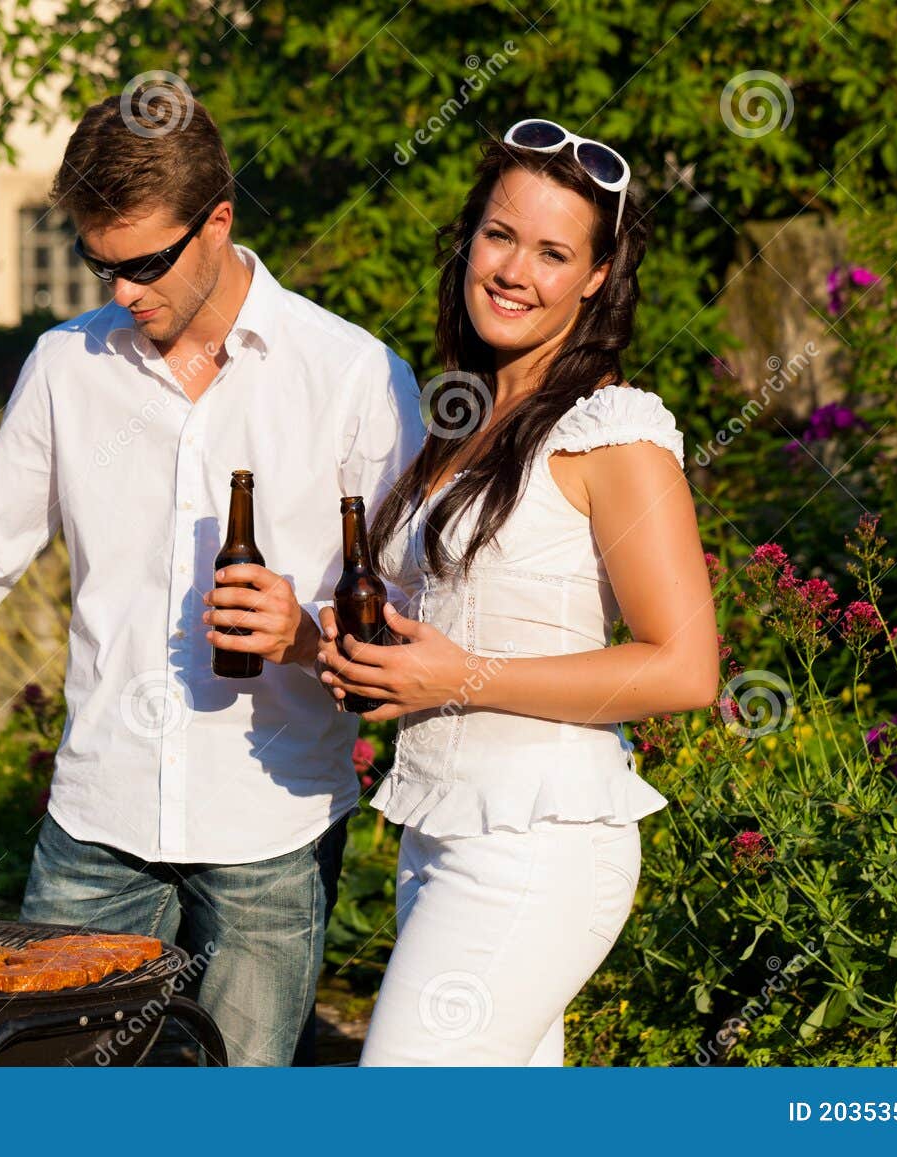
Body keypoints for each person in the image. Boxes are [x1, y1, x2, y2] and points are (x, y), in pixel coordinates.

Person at [0, 91, 423, 1066]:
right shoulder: (64, 366)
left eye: (144, 263)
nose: (120, 291)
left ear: (218, 221)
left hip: (270, 826)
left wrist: (303, 627)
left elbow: (411, 615)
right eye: (99, 263)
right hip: (96, 822)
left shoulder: (355, 378)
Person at [316, 119, 720, 1065]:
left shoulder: (614, 430)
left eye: (553, 252)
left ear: (594, 277)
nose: (514, 270)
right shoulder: (464, 414)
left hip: (539, 845)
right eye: (500, 236)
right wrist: (325, 646)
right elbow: (446, 637)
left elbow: (686, 665)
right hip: (440, 836)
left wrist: (461, 677)